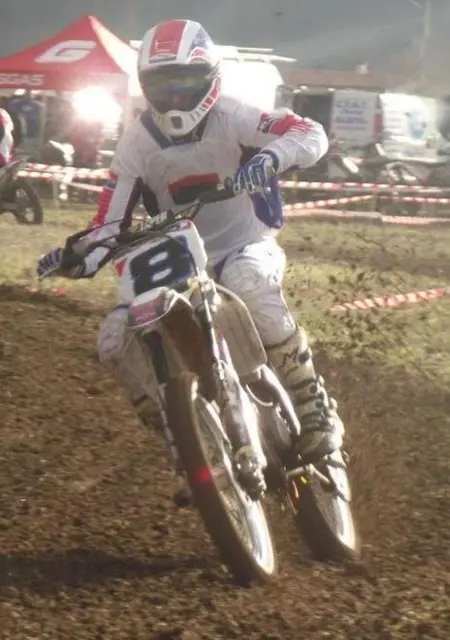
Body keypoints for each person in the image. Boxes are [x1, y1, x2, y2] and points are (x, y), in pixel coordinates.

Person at [37, 19, 344, 471]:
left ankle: (309, 397)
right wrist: (77, 258)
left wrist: (269, 157)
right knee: (113, 339)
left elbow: (309, 132)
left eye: (185, 83)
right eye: (164, 86)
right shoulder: (136, 143)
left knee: (247, 279)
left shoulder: (235, 115)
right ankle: (182, 436)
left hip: (246, 244)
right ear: (146, 87)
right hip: (179, 261)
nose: (176, 98)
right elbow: (109, 223)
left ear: (210, 78)